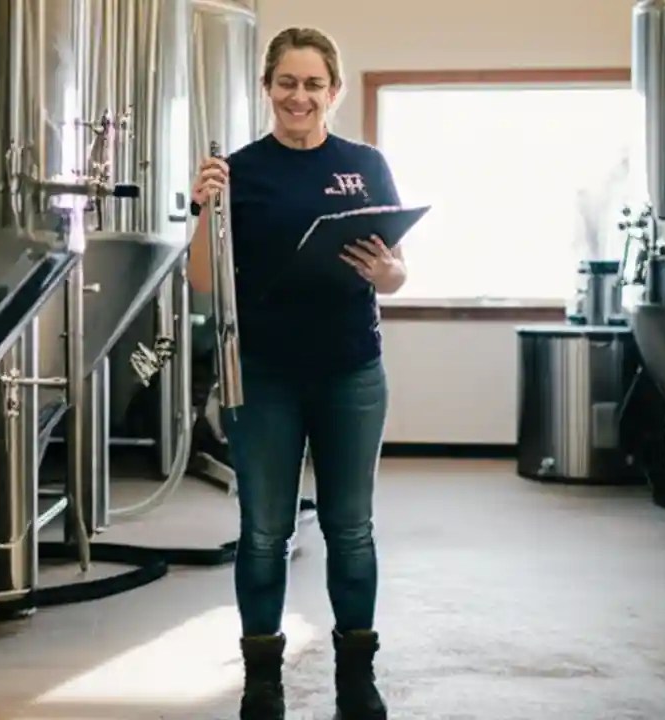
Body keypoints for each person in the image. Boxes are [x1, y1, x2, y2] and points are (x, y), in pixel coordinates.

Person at [186, 26, 406, 720]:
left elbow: (397, 273)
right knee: (263, 532)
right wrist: (206, 209)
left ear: (334, 92)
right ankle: (261, 681)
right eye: (287, 83)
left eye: (313, 84)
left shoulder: (366, 164)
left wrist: (388, 272)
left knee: (351, 528)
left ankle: (355, 679)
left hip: (351, 372)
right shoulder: (239, 171)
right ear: (267, 89)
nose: (299, 96)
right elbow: (200, 282)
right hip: (265, 375)